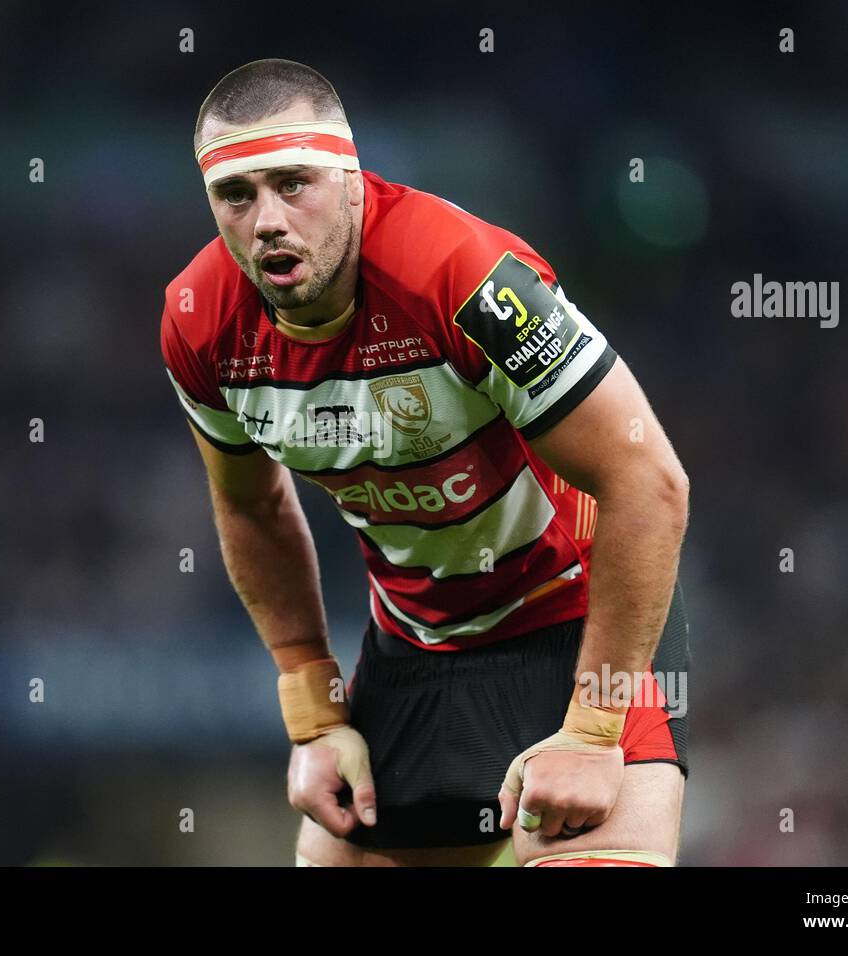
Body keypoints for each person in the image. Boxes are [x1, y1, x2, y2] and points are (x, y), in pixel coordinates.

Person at [160, 58, 691, 867]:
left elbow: (648, 484)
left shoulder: (463, 275)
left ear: (350, 177)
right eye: (237, 195)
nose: (267, 218)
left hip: (576, 620)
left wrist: (590, 728)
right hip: (416, 642)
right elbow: (251, 507)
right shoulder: (198, 323)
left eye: (293, 183)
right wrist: (314, 713)